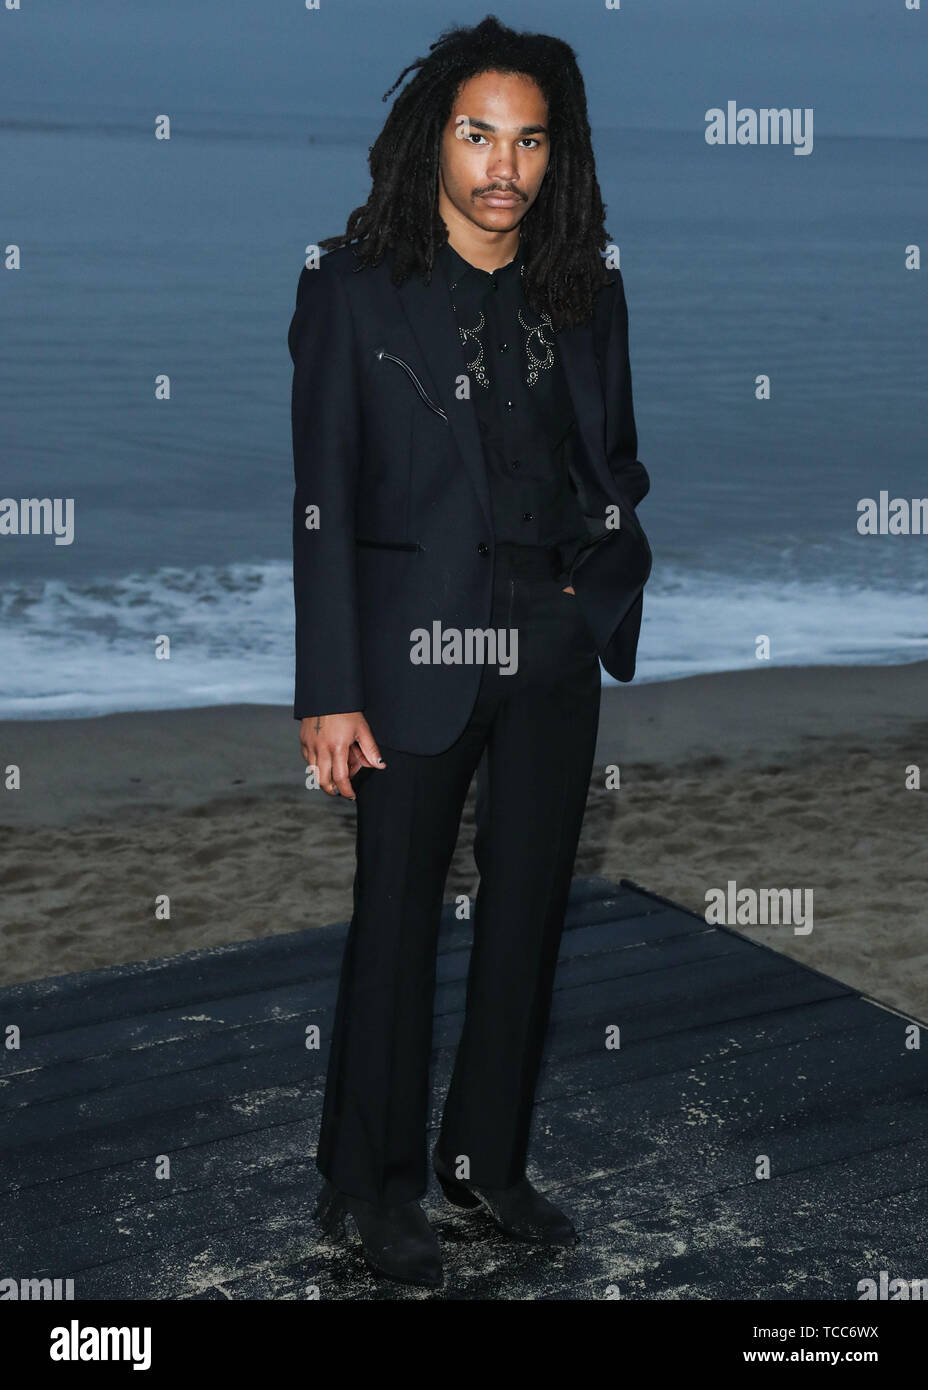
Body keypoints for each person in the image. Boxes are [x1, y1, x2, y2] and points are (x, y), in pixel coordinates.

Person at [288, 14, 652, 1289]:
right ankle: (367, 1187)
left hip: (551, 634)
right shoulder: (348, 285)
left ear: (558, 154)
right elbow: (321, 493)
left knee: (530, 907)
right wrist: (326, 688)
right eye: (478, 134)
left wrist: (602, 576)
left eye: (529, 140)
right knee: (392, 918)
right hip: (408, 647)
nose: (504, 164)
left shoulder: (585, 284)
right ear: (433, 138)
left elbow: (611, 452)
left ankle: (482, 1163)